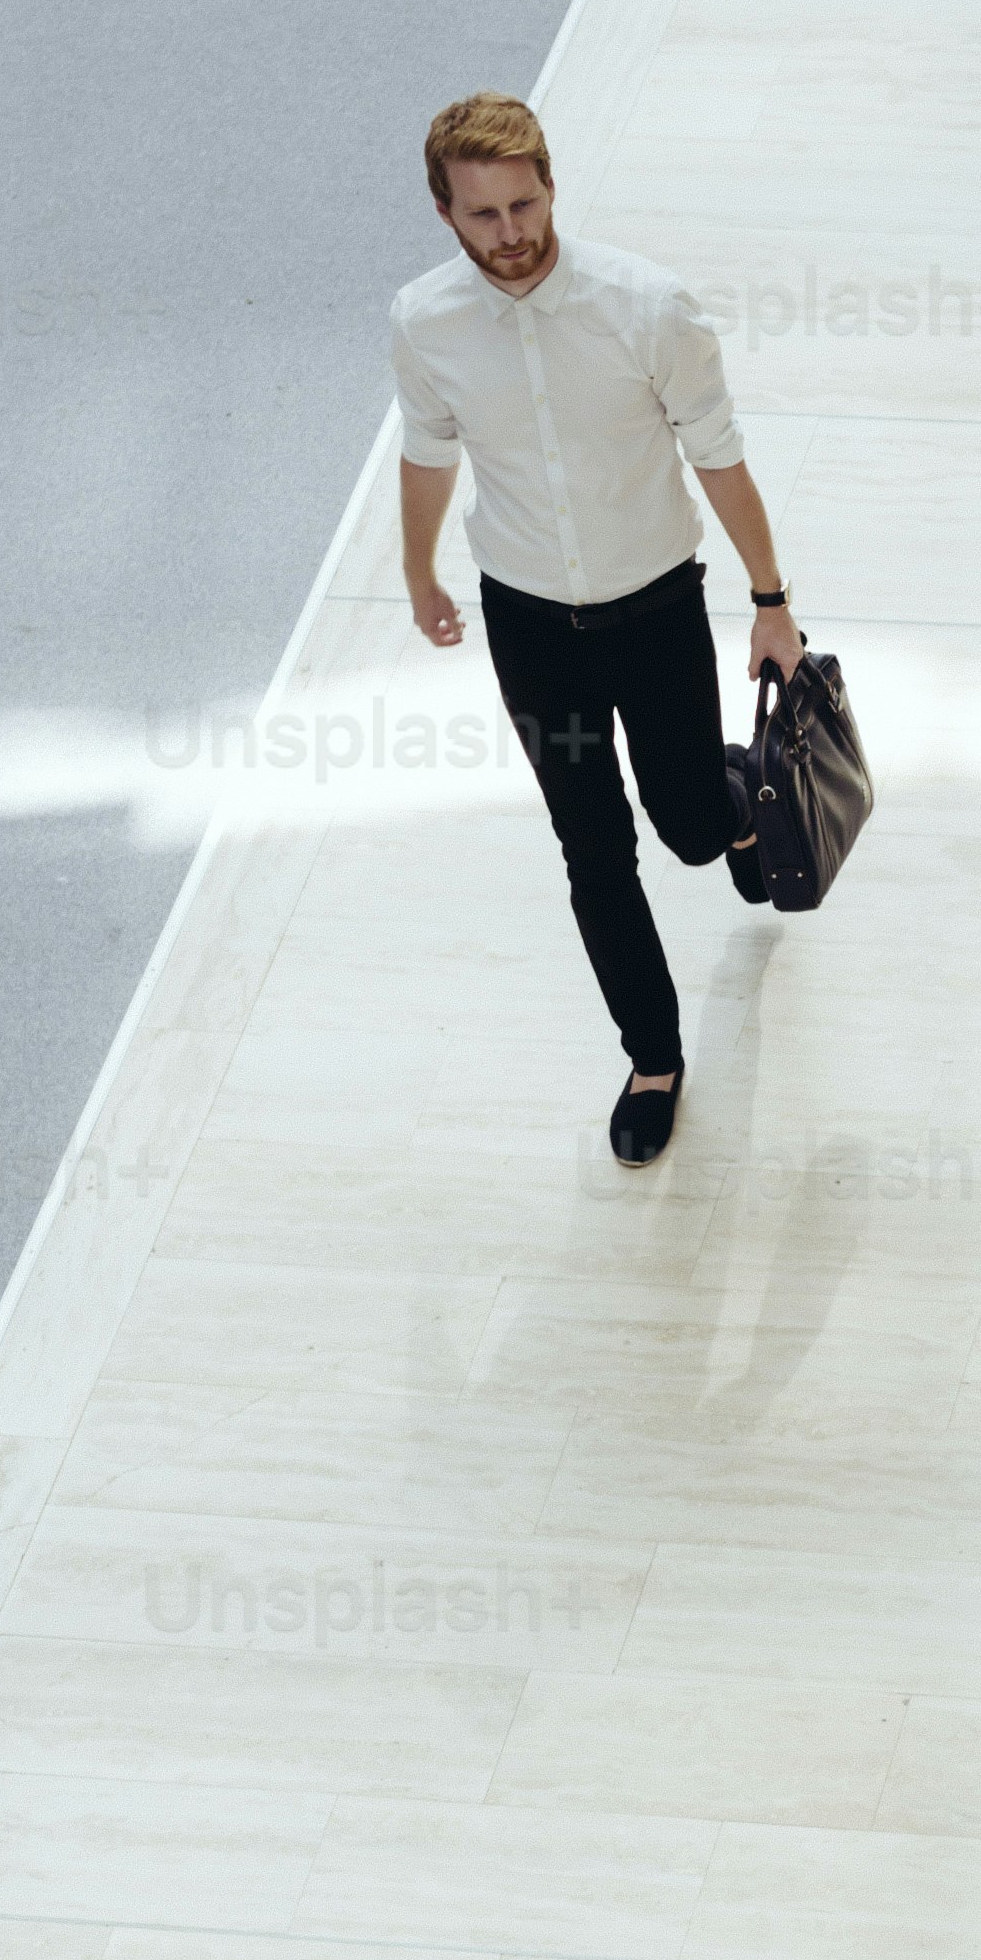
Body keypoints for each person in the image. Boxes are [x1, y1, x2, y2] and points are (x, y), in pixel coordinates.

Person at [391, 91, 805, 1165]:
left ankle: (732, 813)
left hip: (657, 607)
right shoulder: (424, 323)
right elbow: (427, 452)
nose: (512, 234)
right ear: (444, 212)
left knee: (685, 824)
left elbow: (719, 457)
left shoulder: (648, 306)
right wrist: (418, 573)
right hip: (530, 623)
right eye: (483, 216)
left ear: (552, 187)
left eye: (525, 205)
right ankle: (654, 1056)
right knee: (592, 842)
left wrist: (771, 603)